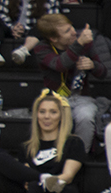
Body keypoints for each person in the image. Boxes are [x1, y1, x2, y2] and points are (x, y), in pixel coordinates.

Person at [33, 14, 107, 151]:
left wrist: (93, 65)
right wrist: (79, 44)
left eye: (71, 27)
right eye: (67, 31)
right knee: (51, 116)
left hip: (81, 97)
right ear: (53, 39)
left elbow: (103, 73)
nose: (74, 32)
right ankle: (55, 155)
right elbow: (60, 64)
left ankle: (80, 156)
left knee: (85, 117)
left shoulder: (85, 44)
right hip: (54, 97)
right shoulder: (42, 48)